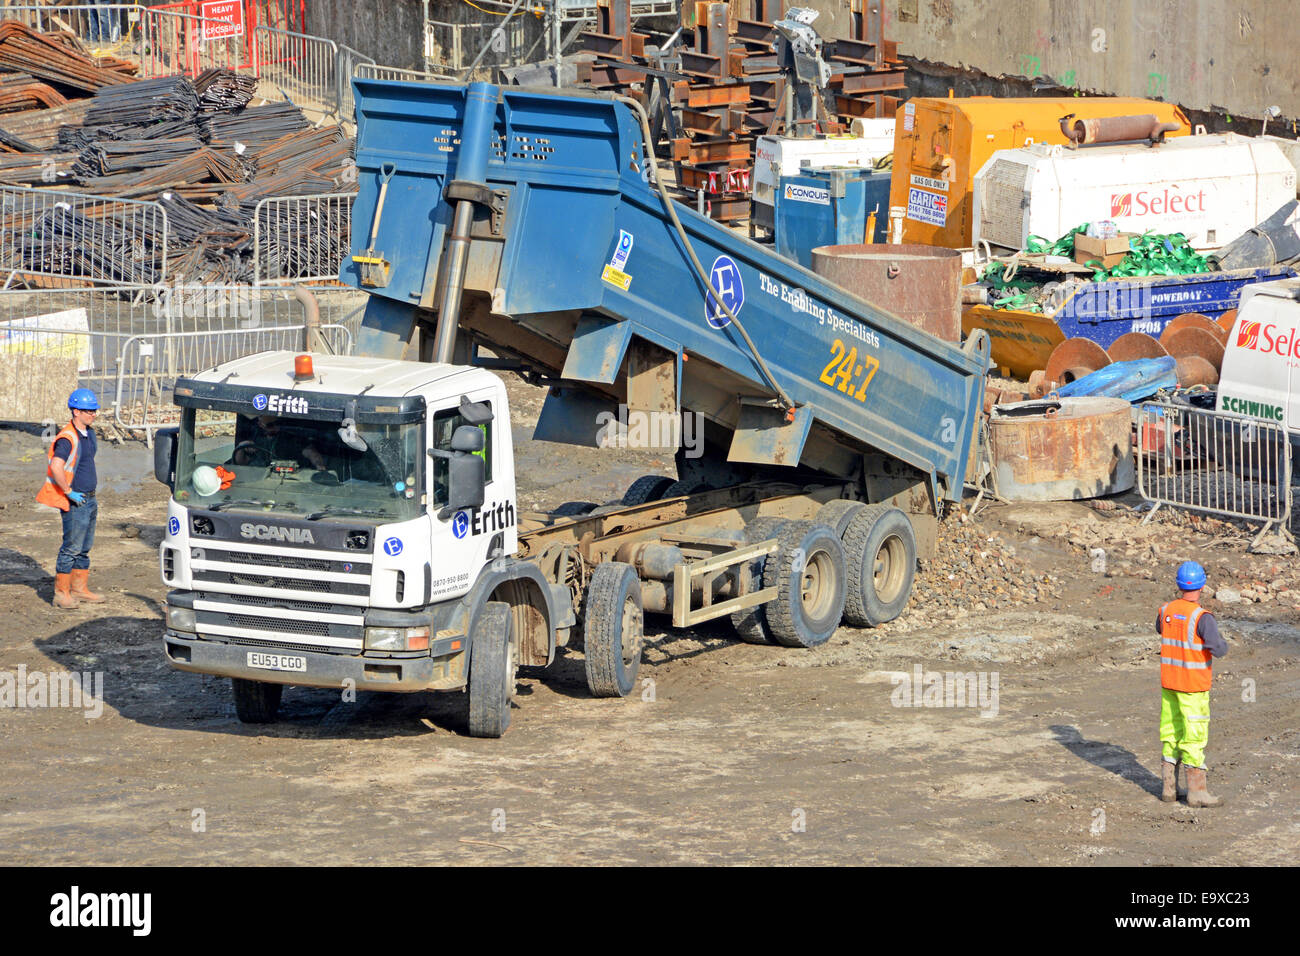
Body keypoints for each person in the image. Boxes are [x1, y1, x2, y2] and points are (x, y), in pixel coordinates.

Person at [1157, 561, 1228, 808]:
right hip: (1193, 687)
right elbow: (1217, 648)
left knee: (1171, 732)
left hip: (1169, 685)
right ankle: (1196, 792)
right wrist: (1223, 644)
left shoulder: (1165, 610)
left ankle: (1168, 788)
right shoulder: (1202, 617)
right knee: (1194, 737)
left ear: (1178, 584)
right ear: (1202, 585)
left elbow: (1163, 630)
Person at [36, 389, 106, 610]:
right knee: (71, 548)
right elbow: (56, 466)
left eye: (95, 410)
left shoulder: (89, 434)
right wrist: (67, 491)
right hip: (76, 501)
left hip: (89, 499)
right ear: (76, 411)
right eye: (89, 411)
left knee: (85, 547)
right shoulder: (67, 438)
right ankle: (62, 594)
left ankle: (79, 589)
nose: (93, 414)